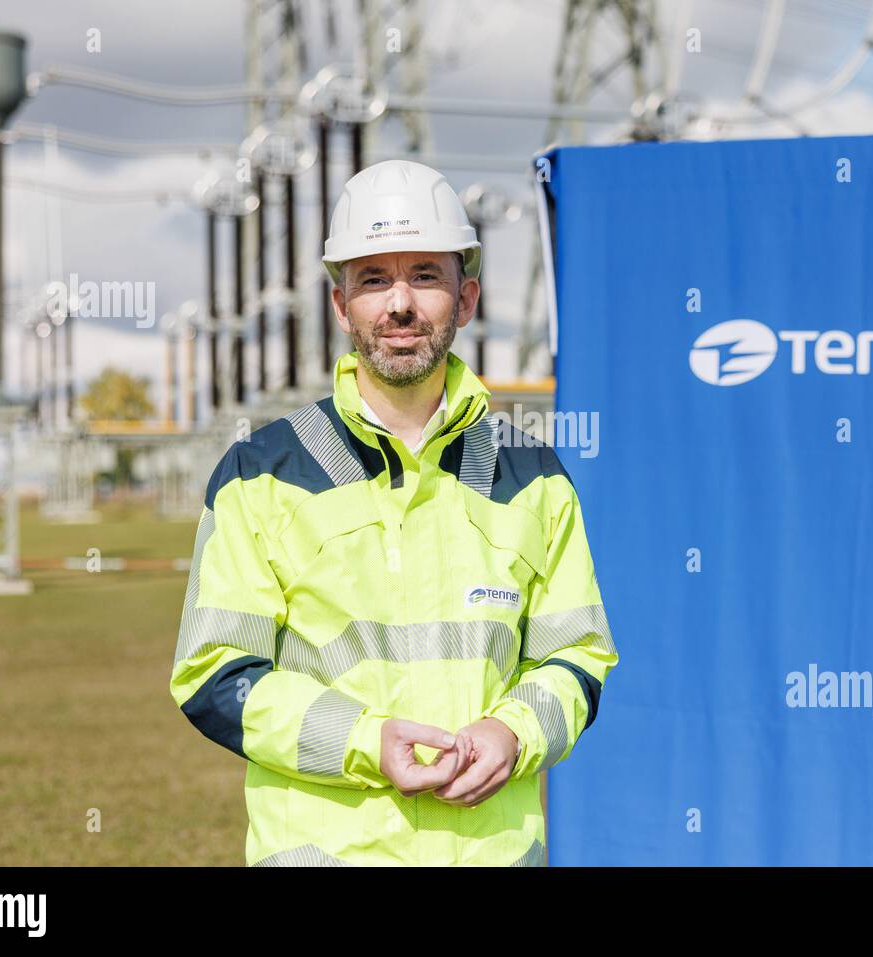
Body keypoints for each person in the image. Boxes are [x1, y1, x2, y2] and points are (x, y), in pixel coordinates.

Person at [168, 159, 617, 866]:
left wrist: (514, 732)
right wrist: (365, 740)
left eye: (425, 276)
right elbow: (215, 675)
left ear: (466, 299)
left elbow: (576, 660)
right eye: (374, 278)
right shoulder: (258, 477)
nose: (400, 304)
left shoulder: (534, 479)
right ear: (340, 305)